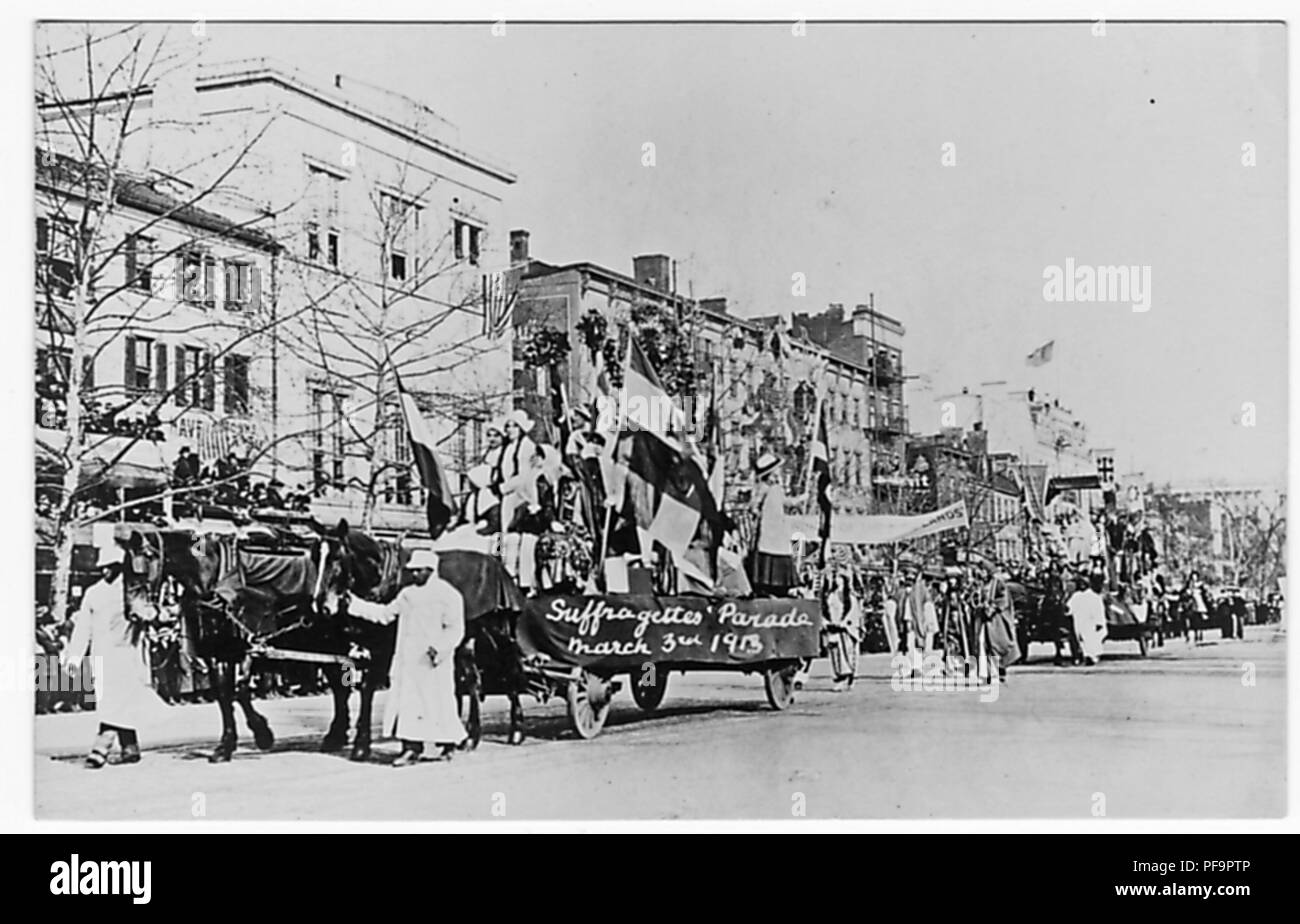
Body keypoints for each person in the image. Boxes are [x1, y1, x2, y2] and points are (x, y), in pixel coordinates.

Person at [341, 549, 468, 766]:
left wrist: (439, 648)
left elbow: (456, 629)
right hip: (408, 661)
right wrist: (354, 604)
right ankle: (410, 748)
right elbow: (384, 615)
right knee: (409, 704)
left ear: (431, 570)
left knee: (438, 703)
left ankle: (449, 742)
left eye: (419, 571)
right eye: (412, 571)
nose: (414, 574)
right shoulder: (407, 595)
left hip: (433, 662)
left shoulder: (448, 595)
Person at [61, 545, 165, 768]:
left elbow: (150, 614)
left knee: (116, 701)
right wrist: (73, 659)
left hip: (127, 654)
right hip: (101, 655)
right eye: (104, 568)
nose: (106, 572)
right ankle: (130, 747)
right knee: (114, 701)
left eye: (111, 567)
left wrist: (154, 616)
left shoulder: (134, 592)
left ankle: (101, 747)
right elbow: (83, 629)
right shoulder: (93, 593)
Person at [747, 452, 806, 596]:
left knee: (781, 549)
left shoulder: (777, 488)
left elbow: (786, 502)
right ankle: (766, 584)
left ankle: (780, 585)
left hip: (778, 528)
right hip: (768, 528)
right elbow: (753, 505)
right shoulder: (763, 488)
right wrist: (757, 513)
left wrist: (801, 498)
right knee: (769, 550)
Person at [977, 561, 1020, 682]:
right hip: (984, 619)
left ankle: (999, 669)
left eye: (983, 570)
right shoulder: (981, 584)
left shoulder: (998, 583)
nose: (981, 573)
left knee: (998, 644)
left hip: (996, 619)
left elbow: (1004, 599)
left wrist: (992, 607)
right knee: (985, 645)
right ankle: (990, 672)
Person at [1067, 569, 1107, 665]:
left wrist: (1099, 622)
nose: (1082, 586)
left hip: (1091, 622)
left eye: (1084, 584)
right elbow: (1069, 608)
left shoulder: (1094, 597)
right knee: (1082, 639)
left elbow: (1099, 611)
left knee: (1092, 639)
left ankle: (1092, 656)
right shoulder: (1076, 596)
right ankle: (1085, 656)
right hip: (1080, 621)